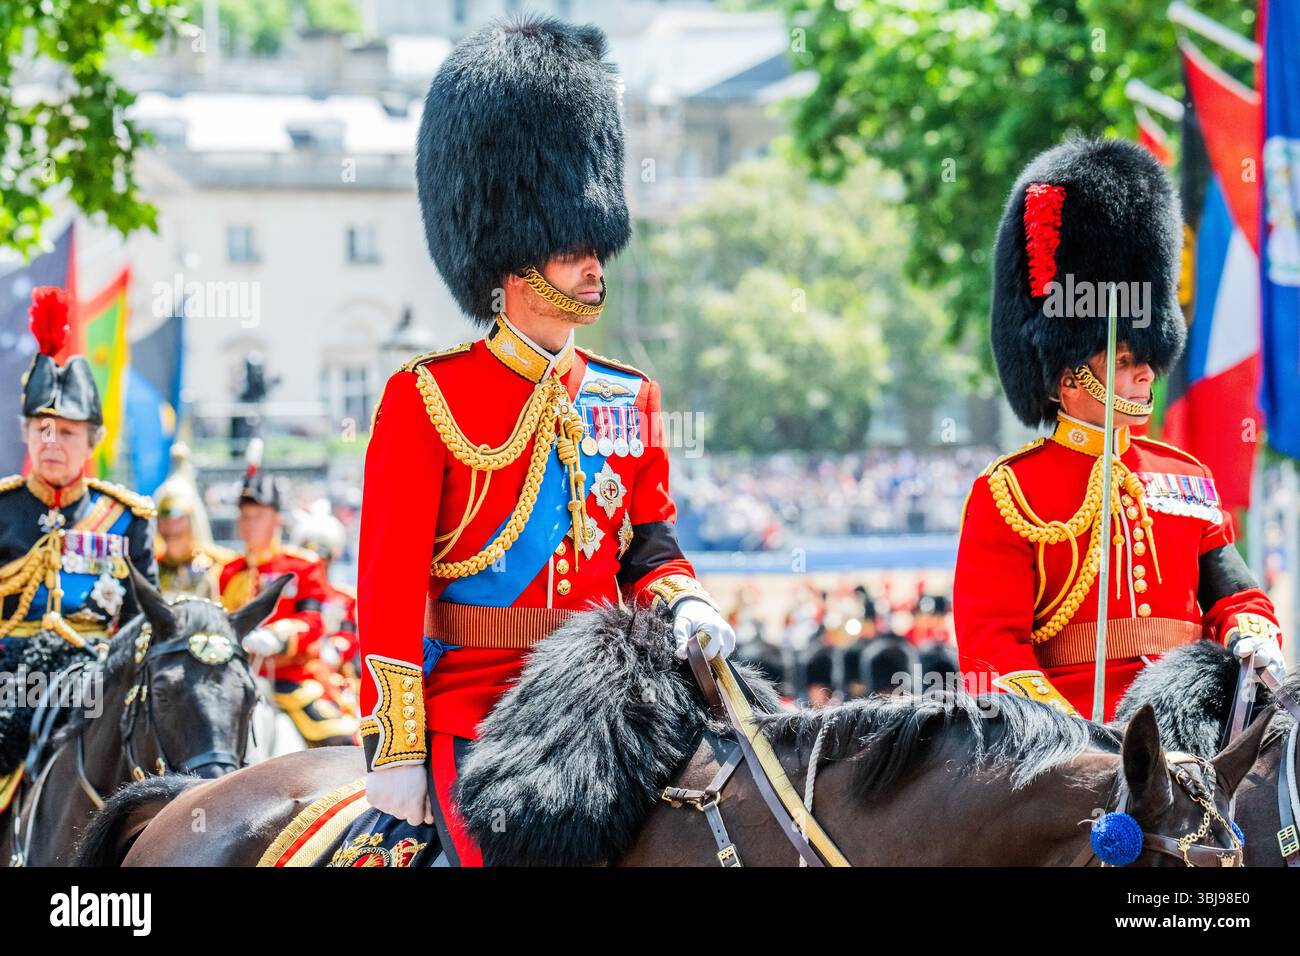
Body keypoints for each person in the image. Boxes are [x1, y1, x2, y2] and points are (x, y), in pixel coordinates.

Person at [357, 17, 736, 866]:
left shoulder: (629, 395)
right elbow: (388, 587)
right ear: (515, 258)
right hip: (478, 704)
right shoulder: (426, 397)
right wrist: (396, 747)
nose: (596, 268)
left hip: (614, 703)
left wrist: (687, 602)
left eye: (598, 249)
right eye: (573, 251)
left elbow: (648, 548)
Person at [954, 138, 1283, 721]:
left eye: (1146, 358)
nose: (1145, 373)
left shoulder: (1186, 478)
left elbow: (1237, 595)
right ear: (1067, 378)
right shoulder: (1007, 494)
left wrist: (1249, 634)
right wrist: (1072, 737)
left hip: (1195, 727)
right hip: (1074, 737)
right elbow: (991, 651)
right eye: (1124, 359)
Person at [0, 287, 158, 809]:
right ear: (27, 433)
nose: (52, 442)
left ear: (93, 441)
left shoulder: (126, 519)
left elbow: (144, 622)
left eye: (67, 432)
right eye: (42, 430)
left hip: (97, 683)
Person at [219, 443, 358, 747]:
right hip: (238, 680)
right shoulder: (228, 571)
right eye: (244, 516)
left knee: (341, 737)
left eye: (258, 515)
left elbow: (313, 621)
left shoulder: (302, 567)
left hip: (293, 681)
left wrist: (278, 637)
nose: (249, 524)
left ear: (276, 519)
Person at [154, 443, 234, 600]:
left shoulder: (218, 566)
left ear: (192, 522)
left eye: (178, 519)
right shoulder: (150, 567)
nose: (171, 528)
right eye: (164, 519)